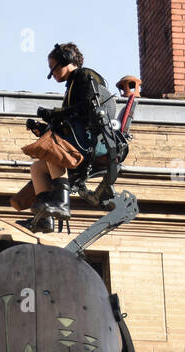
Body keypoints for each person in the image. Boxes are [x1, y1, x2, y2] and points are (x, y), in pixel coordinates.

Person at [17, 42, 118, 225]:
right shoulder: (72, 86)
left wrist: (55, 114)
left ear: (66, 60)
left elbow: (86, 107)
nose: (51, 73)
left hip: (90, 142)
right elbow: (70, 118)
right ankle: (46, 219)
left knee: (51, 153)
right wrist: (42, 127)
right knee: (37, 168)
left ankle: (62, 203)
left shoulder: (85, 77)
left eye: (52, 67)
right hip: (78, 140)